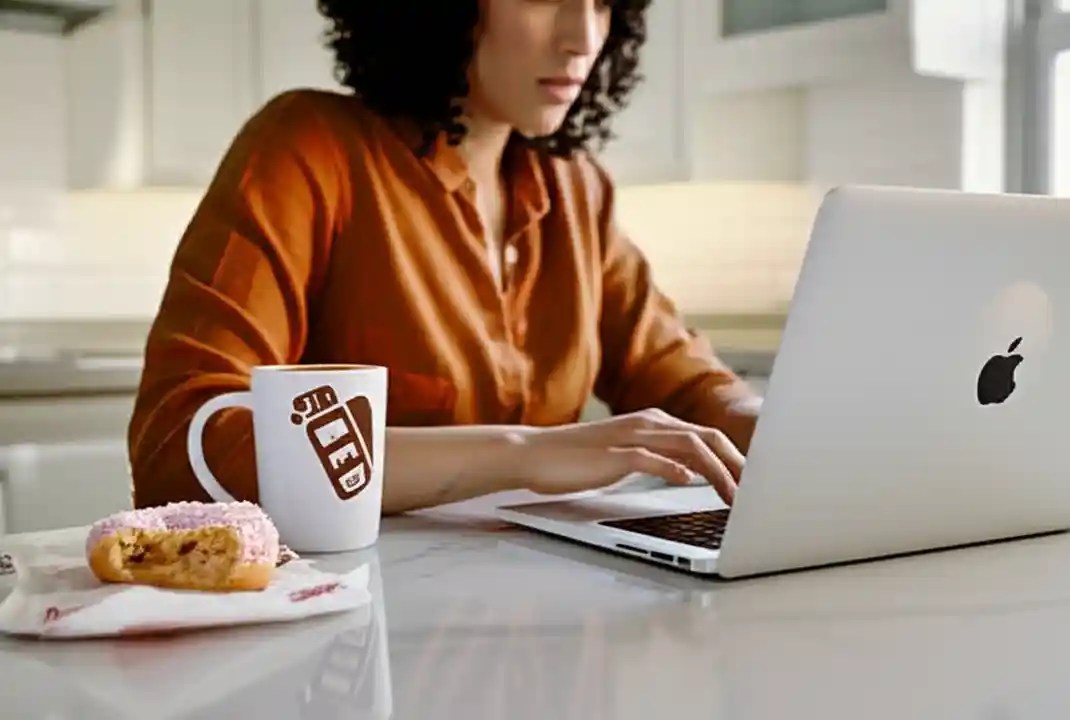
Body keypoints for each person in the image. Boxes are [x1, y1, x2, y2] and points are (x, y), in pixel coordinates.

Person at [128, 0, 762, 514]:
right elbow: (182, 449)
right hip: (354, 631)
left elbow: (684, 380)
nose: (583, 36)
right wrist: (522, 454)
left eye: (604, 2)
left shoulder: (577, 189)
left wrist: (774, 426)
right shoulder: (307, 150)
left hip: (539, 622)